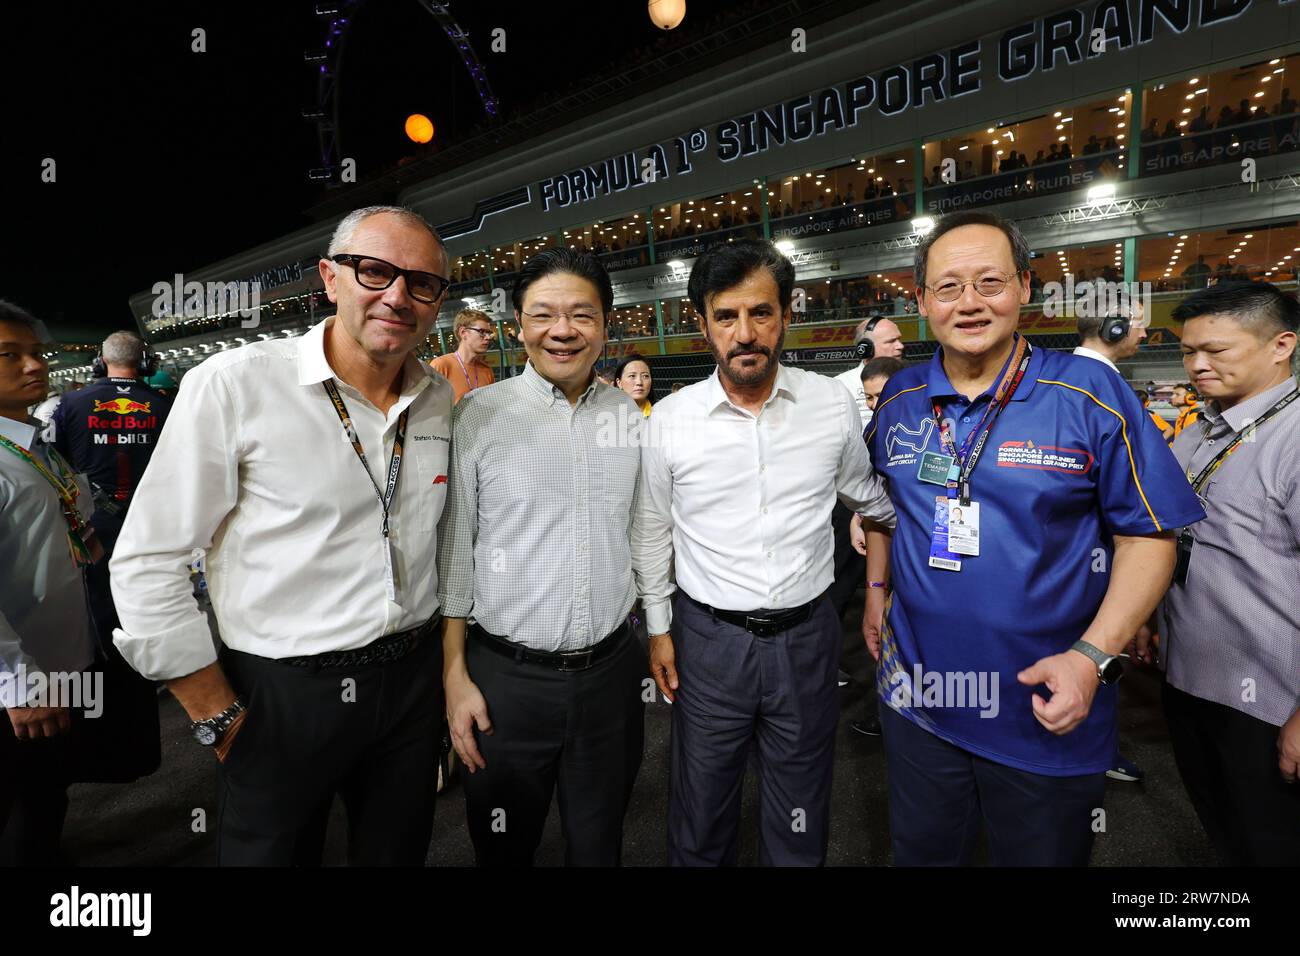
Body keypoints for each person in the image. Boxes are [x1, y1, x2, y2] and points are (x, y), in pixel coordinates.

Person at [110, 205, 455, 866]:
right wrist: (213, 711)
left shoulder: (436, 398)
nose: (397, 296)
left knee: (397, 852)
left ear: (437, 300)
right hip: (285, 689)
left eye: (421, 283)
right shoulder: (236, 384)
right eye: (374, 271)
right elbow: (150, 557)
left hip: (412, 679)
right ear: (330, 277)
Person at [864, 210, 1205, 866]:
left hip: (1046, 701)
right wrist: (876, 589)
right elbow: (880, 505)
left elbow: (1148, 538)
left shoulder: (1088, 393)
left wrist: (1091, 658)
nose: (969, 302)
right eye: (948, 287)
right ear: (922, 302)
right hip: (916, 700)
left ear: (1025, 286)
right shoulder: (902, 396)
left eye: (989, 282)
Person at [633, 239, 896, 866]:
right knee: (701, 813)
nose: (745, 333)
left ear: (785, 315)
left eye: (761, 313)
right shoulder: (670, 419)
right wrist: (660, 630)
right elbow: (651, 530)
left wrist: (882, 587)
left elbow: (870, 498)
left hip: (807, 640)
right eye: (726, 316)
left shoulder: (829, 404)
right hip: (707, 642)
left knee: (801, 810)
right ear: (702, 325)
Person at [438, 249, 646, 866]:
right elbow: (454, 556)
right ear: (518, 325)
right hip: (505, 682)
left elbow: (641, 532)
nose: (563, 330)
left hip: (610, 676)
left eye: (581, 314)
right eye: (544, 314)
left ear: (605, 325)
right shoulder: (479, 415)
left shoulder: (625, 416)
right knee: (503, 848)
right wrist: (453, 677)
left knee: (600, 845)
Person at [1150, 281, 1300, 865]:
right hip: (1189, 680)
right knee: (1227, 836)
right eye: (1189, 351)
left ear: (1281, 345)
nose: (1197, 365)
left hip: (1271, 700)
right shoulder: (1196, 434)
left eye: (1216, 350)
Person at [0, 302, 100, 865]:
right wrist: (18, 684)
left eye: (36, 352)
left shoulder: (32, 443)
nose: (35, 365)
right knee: (24, 809)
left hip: (58, 661)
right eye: (9, 355)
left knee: (45, 796)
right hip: (20, 680)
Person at [51, 331, 173, 784]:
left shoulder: (68, 404)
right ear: (145, 362)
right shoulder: (165, 404)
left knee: (97, 616)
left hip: (91, 528)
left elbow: (56, 466)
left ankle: (103, 709)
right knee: (149, 608)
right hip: (151, 528)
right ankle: (149, 681)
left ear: (99, 363)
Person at [833, 316, 906, 431]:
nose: (900, 346)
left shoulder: (912, 380)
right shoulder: (841, 386)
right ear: (866, 348)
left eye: (899, 340)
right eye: (891, 341)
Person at [429, 308, 496, 403]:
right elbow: (427, 408)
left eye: (489, 333)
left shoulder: (486, 370)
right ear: (463, 333)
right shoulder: (441, 366)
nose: (488, 337)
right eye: (482, 332)